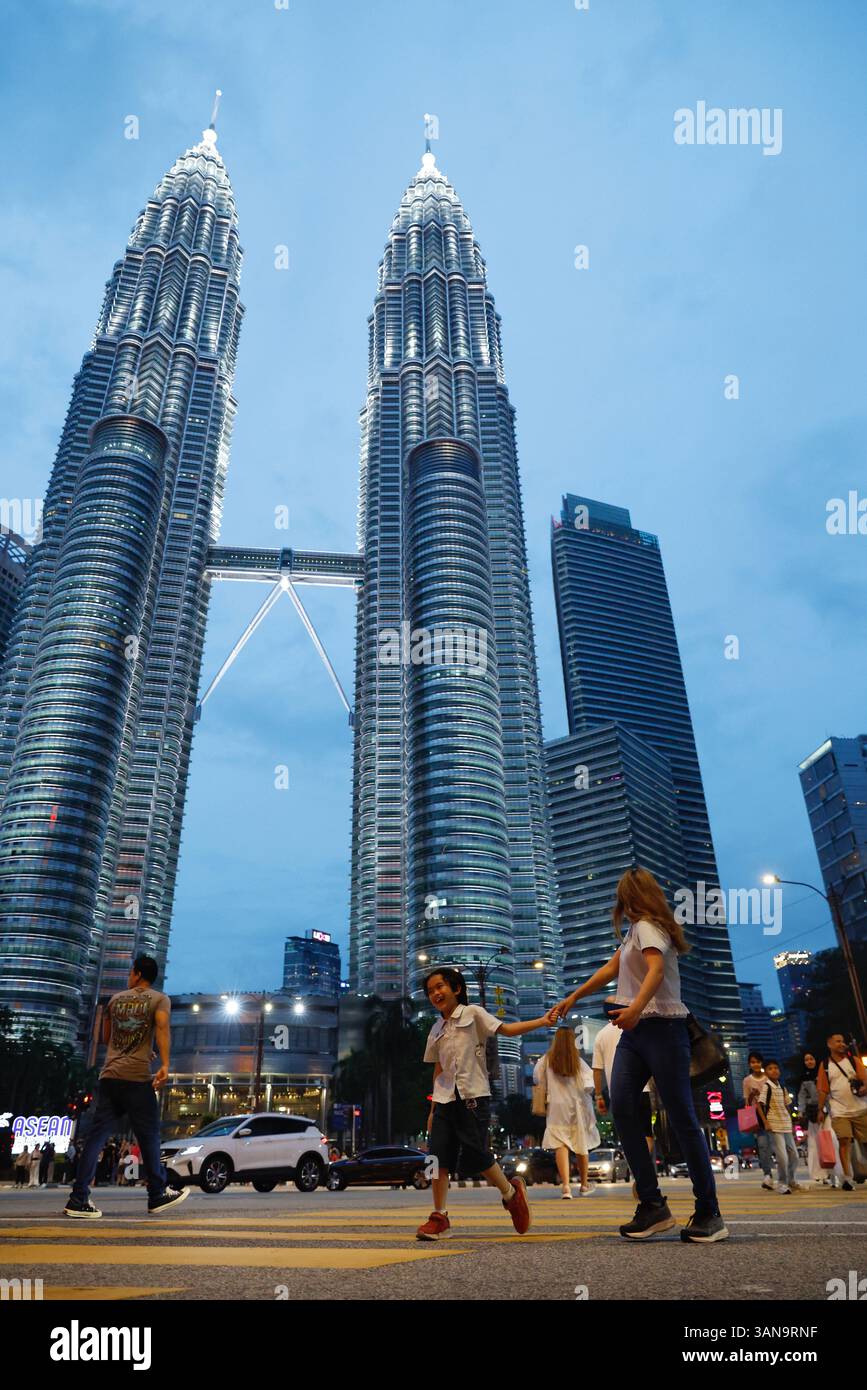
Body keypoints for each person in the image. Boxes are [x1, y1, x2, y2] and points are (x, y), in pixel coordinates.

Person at [552, 866, 727, 1243]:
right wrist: (574, 996)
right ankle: (652, 1205)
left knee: (681, 1117)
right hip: (634, 1034)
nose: (623, 907)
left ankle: (709, 1211)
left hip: (662, 1029)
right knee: (624, 1109)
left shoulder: (649, 927)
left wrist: (635, 1009)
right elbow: (609, 970)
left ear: (638, 898)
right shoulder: (635, 932)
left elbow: (656, 971)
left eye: (626, 899)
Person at [417, 966, 552, 1241]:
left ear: (456, 989)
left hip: (473, 1097)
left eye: (440, 987)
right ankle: (439, 1216)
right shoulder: (436, 1028)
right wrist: (432, 1109)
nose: (435, 993)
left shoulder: (474, 1013)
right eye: (430, 991)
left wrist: (542, 1021)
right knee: (436, 1156)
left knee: (476, 1154)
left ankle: (510, 1193)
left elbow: (508, 1030)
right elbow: (438, 1069)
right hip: (444, 1100)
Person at [64, 953, 188, 1219]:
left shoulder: (115, 1000)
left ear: (138, 974)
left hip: (110, 1077)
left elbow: (107, 1038)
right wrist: (165, 1063)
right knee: (150, 1137)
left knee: (96, 1139)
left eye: (131, 972)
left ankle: (78, 1198)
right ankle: (157, 1193)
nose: (128, 976)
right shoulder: (159, 999)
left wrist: (139, 1049)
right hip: (136, 1078)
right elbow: (162, 1029)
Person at [593, 1004, 655, 1195]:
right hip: (643, 1089)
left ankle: (640, 1174)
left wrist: (598, 1096)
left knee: (628, 1136)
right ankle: (642, 1176)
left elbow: (597, 1069)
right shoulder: (635, 1026)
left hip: (617, 1092)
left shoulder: (601, 1035)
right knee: (646, 1134)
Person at [533, 1027, 593, 1198]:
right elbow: (589, 1086)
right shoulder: (578, 1061)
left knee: (561, 1144)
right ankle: (583, 1185)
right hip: (576, 1107)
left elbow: (537, 1078)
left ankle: (566, 1187)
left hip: (556, 1107)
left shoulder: (546, 1060)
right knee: (581, 1144)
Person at [817, 1033, 867, 1192]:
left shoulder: (854, 1061)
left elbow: (865, 1080)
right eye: (838, 1041)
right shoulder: (825, 1065)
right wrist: (820, 1110)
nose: (842, 1044)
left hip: (860, 1108)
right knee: (844, 1142)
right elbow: (823, 1090)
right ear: (829, 1044)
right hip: (839, 1111)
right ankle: (847, 1178)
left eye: (843, 1041)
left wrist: (864, 1088)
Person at [755, 1059, 803, 1193]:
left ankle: (791, 1180)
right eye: (770, 1068)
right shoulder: (767, 1086)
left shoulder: (782, 1087)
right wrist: (765, 1122)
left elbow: (787, 1105)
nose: (774, 1070)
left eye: (776, 1068)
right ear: (766, 1072)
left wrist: (792, 1123)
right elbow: (759, 1104)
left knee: (794, 1155)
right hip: (774, 1126)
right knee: (782, 1156)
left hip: (786, 1125)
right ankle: (782, 1183)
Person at [743, 1052, 776, 1190]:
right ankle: (767, 1175)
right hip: (758, 1116)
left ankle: (785, 1175)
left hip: (774, 1113)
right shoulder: (747, 1081)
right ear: (750, 1065)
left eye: (757, 1061)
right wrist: (752, 1095)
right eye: (752, 1062)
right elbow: (747, 1103)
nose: (755, 1064)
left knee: (775, 1145)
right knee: (763, 1146)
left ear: (762, 1063)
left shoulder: (769, 1076)